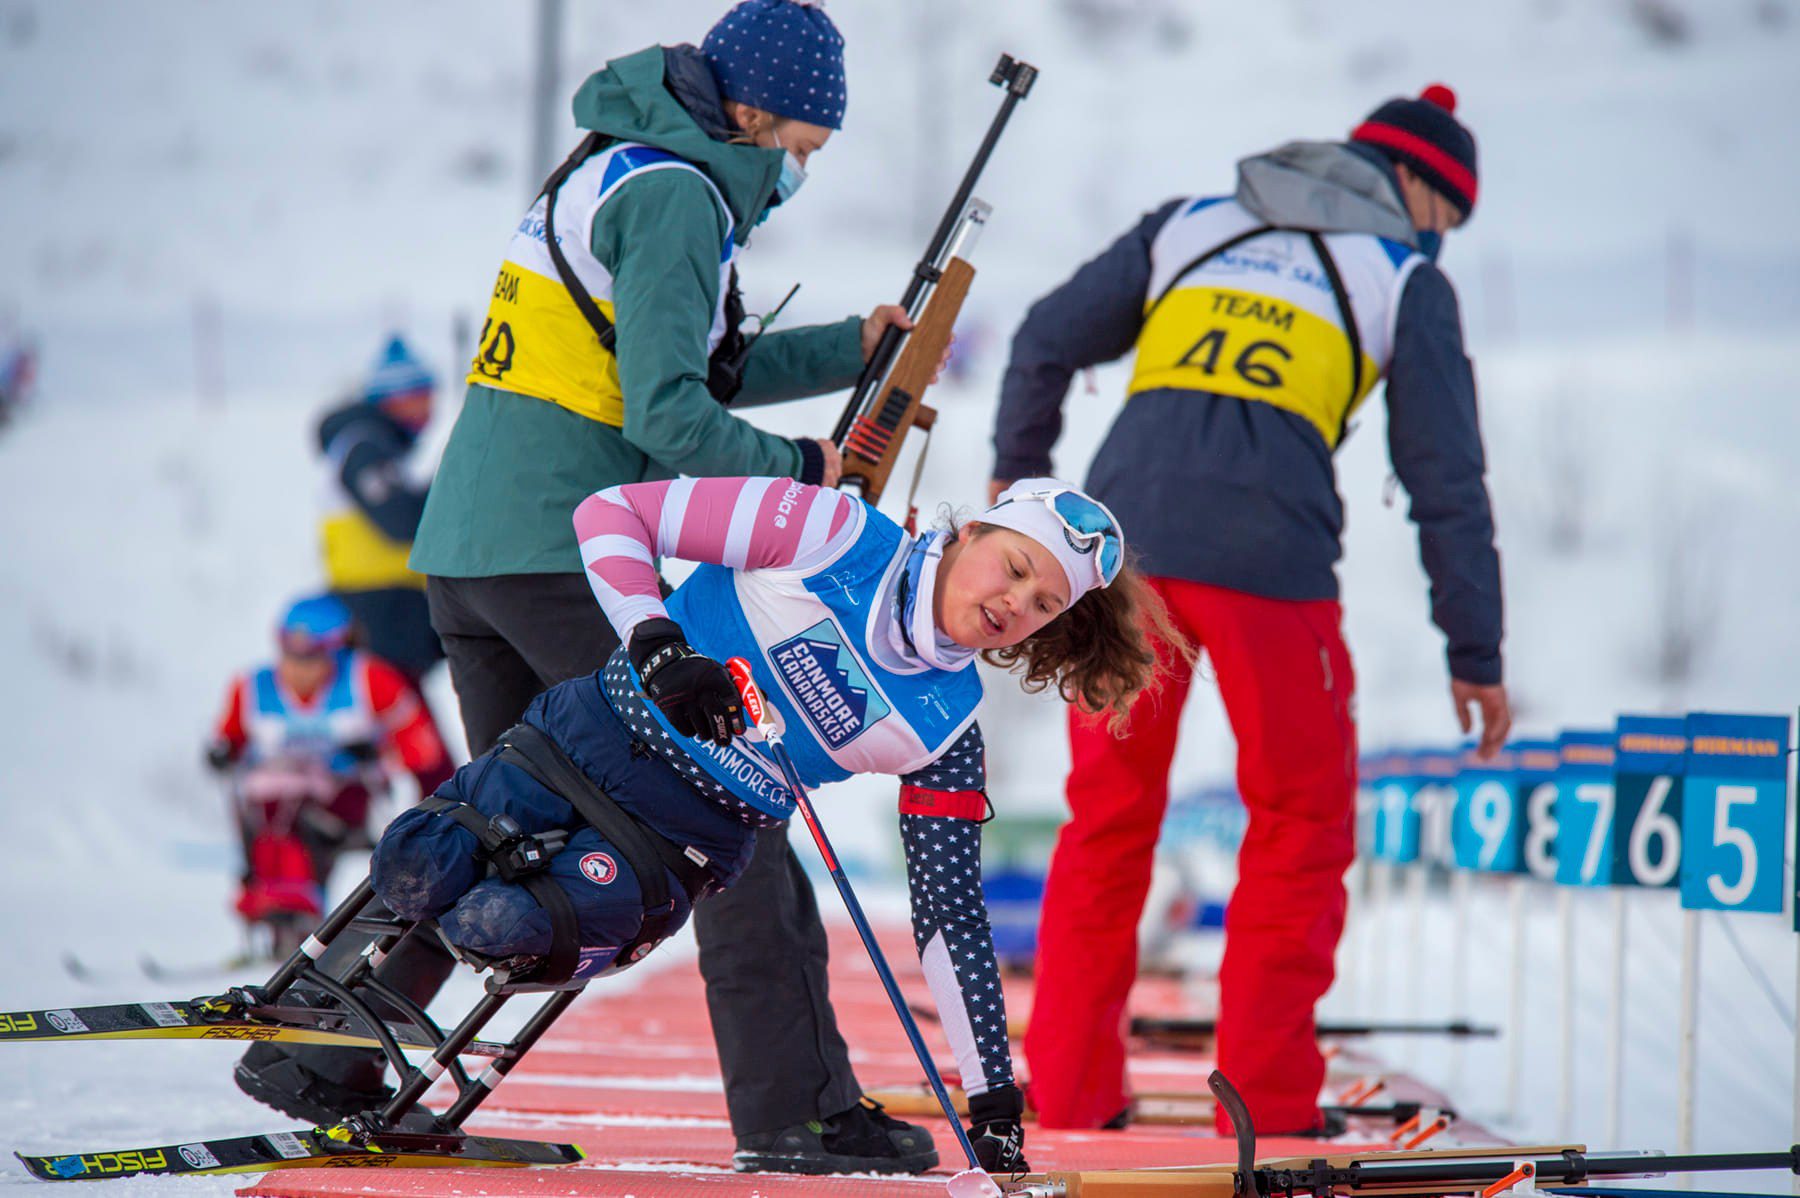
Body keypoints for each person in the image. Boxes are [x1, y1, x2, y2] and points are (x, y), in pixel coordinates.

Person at [241, 0, 944, 1176]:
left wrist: (846, 350)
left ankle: (323, 1038)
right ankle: (799, 1114)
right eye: (805, 142)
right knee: (733, 813)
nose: (804, 166)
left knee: (508, 821)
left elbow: (677, 366)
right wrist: (806, 472)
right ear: (757, 109)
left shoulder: (623, 166)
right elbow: (672, 416)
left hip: (475, 546)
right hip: (562, 546)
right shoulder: (679, 199)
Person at [367, 472, 1177, 1177]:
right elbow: (612, 512)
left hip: (670, 849)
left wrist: (993, 1099)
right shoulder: (832, 532)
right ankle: (321, 1058)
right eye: (1016, 567)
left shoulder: (946, 729)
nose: (1013, 603)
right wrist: (656, 642)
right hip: (583, 738)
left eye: (1043, 604)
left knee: (502, 921)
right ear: (970, 533)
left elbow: (948, 920)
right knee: (417, 861)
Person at [990, 85, 1512, 1134]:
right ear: (1414, 184)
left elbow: (1042, 337)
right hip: (1273, 576)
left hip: (1122, 563)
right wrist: (1476, 647)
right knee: (1301, 827)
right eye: (1445, 221)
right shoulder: (1402, 277)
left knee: (1107, 820)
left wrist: (1026, 507)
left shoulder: (1190, 223)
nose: (1437, 243)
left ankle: (1073, 1094)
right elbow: (1445, 476)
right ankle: (1267, 1105)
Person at [205, 595, 453, 950]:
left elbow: (422, 747)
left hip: (345, 797)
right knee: (269, 812)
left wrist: (377, 751)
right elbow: (230, 738)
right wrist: (222, 752)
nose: (298, 668)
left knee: (297, 815)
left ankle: (295, 907)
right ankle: (277, 908)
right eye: (289, 655)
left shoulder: (369, 678)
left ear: (336, 650)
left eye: (312, 657)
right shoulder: (253, 686)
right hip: (271, 801)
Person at [316, 335, 443, 684]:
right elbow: (401, 521)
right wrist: (450, 488)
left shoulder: (374, 445)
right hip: (380, 609)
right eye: (419, 396)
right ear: (392, 399)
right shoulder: (364, 447)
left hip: (391, 605)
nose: (429, 407)